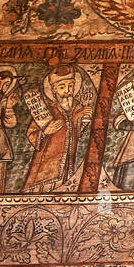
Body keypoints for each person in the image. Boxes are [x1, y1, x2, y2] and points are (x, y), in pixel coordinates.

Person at [25, 63, 92, 193]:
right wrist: (44, 131)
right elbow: (31, 132)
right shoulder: (48, 109)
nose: (67, 90)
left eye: (71, 86)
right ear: (53, 89)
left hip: (68, 158)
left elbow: (77, 133)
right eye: (62, 87)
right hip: (47, 160)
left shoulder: (77, 108)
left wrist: (84, 119)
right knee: (44, 186)